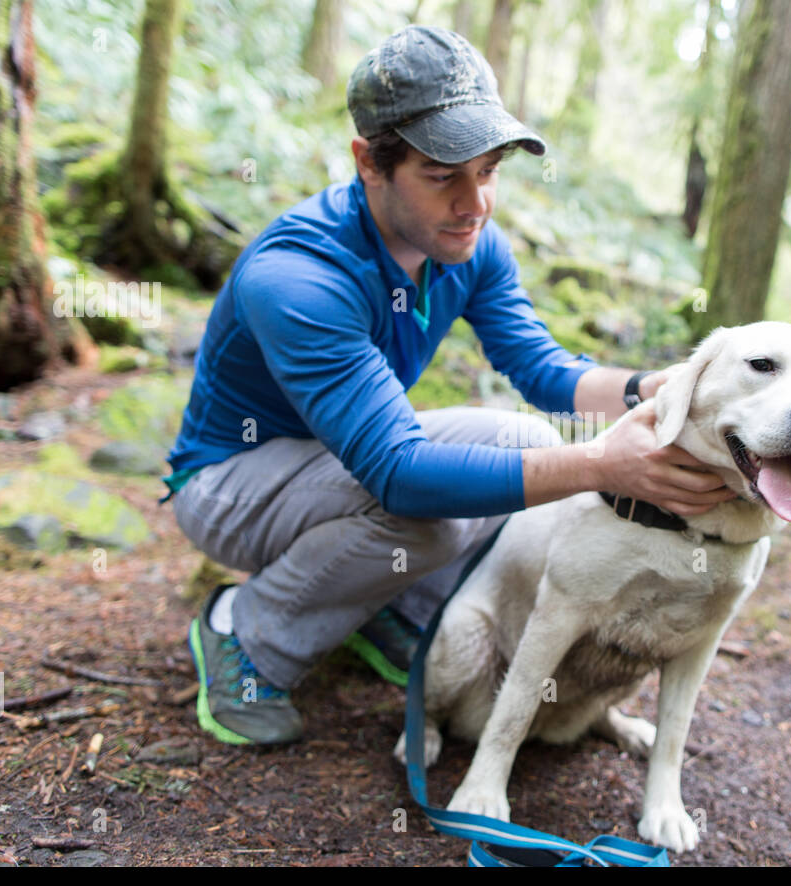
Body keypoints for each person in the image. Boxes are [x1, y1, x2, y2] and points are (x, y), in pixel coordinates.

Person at [161, 24, 736, 746]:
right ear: (369, 163)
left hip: (335, 465)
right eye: (443, 176)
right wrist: (598, 465)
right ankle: (244, 635)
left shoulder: (468, 244)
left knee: (524, 442)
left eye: (488, 171)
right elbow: (401, 475)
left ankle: (385, 609)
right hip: (229, 483)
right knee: (433, 503)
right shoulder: (299, 278)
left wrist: (660, 386)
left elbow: (542, 371)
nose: (476, 202)